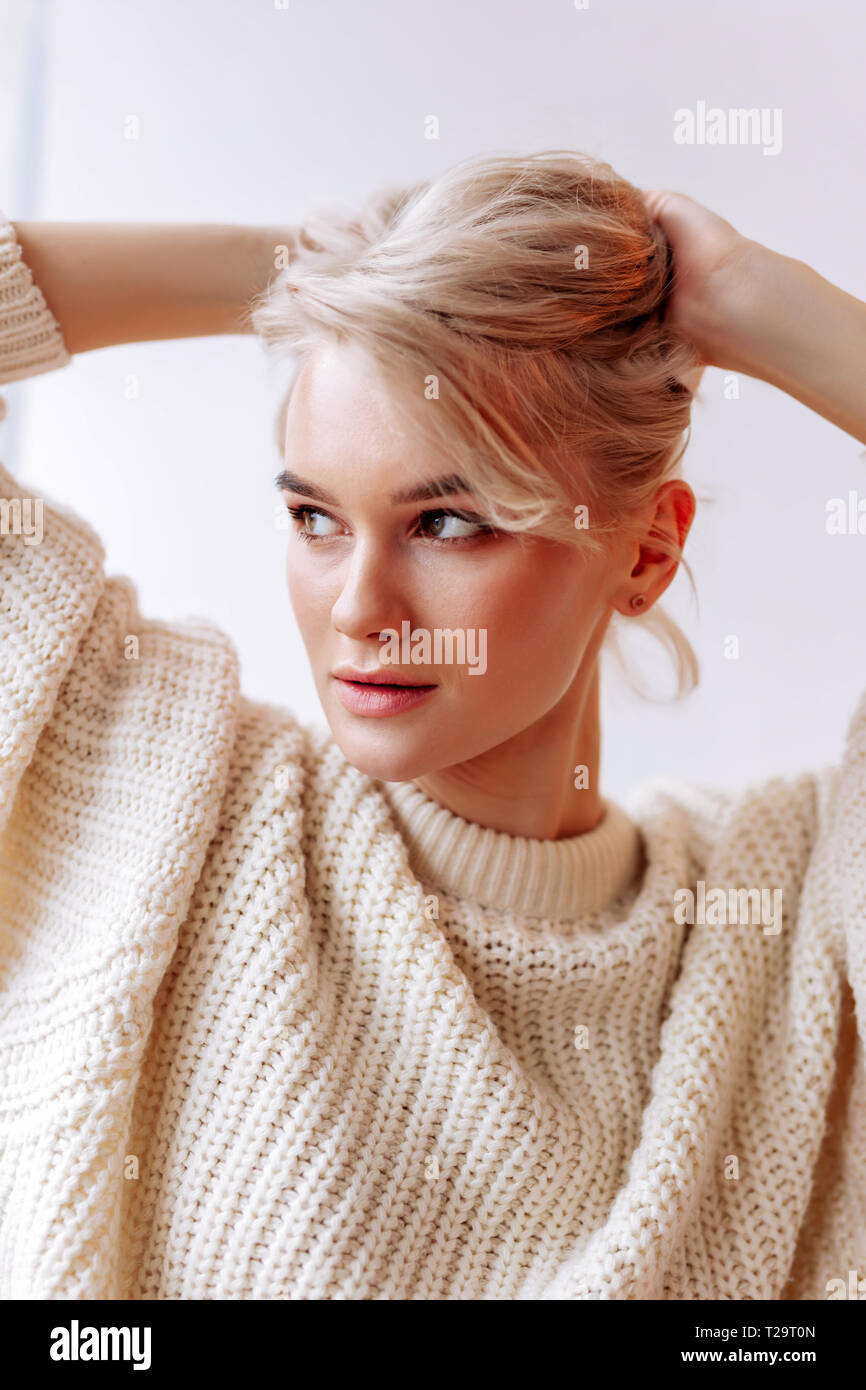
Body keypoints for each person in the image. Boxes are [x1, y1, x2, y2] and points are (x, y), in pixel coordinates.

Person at [0, 150, 863, 1302]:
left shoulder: (794, 927)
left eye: (447, 523)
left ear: (646, 550)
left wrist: (758, 301)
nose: (358, 608)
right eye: (314, 515)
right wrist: (310, 274)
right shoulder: (156, 787)